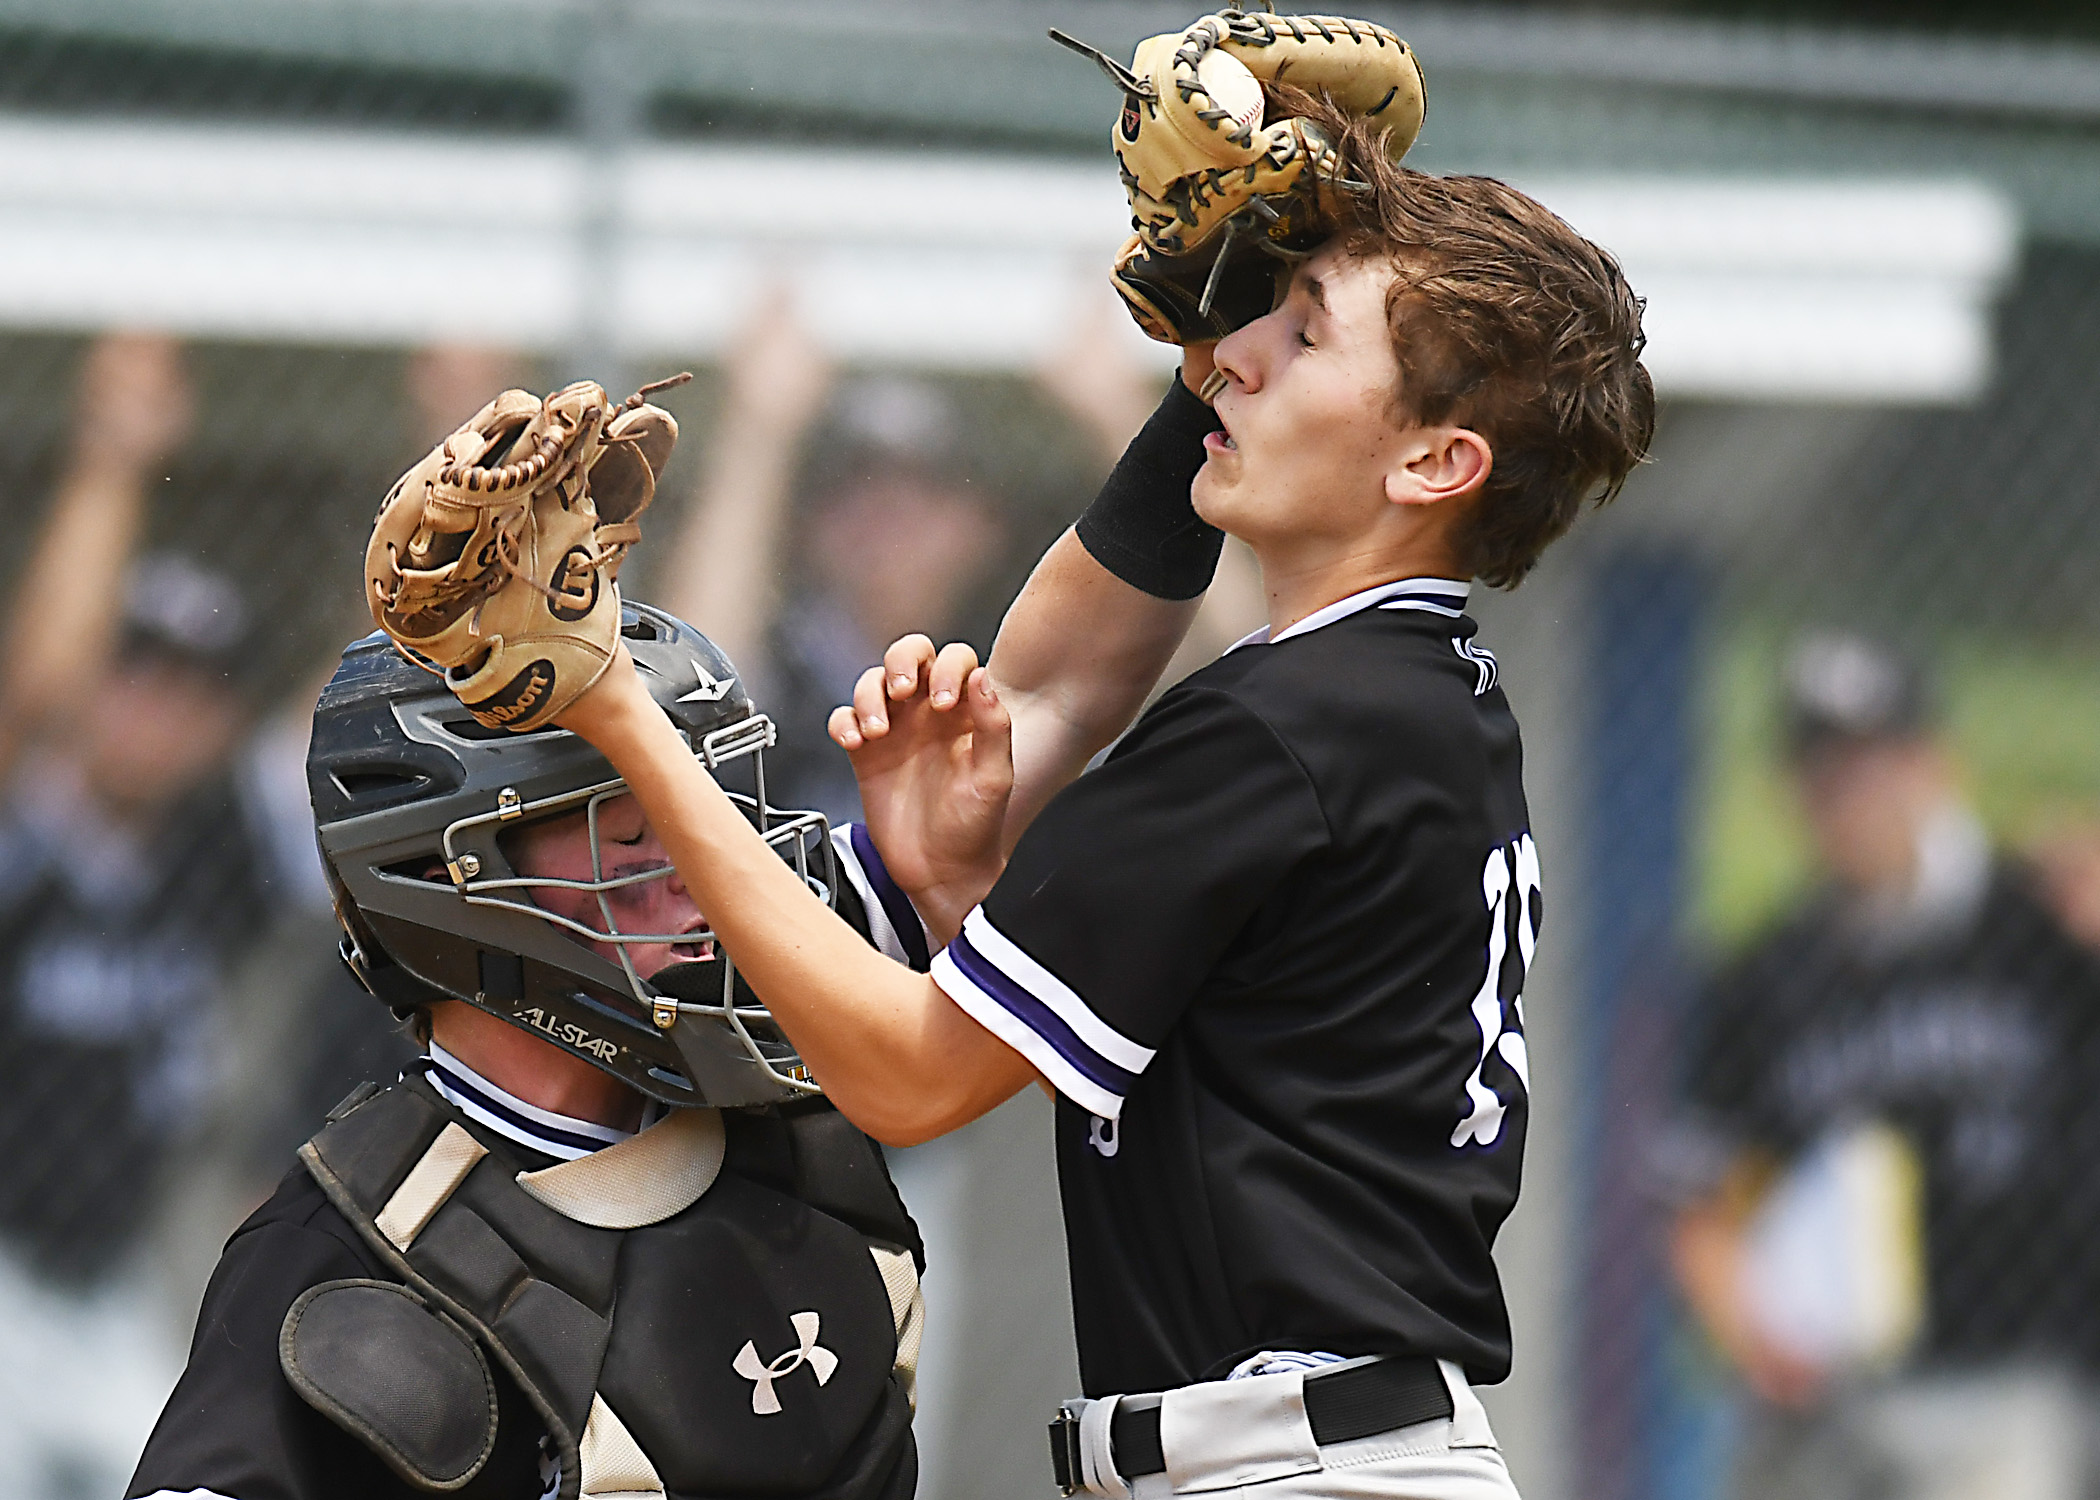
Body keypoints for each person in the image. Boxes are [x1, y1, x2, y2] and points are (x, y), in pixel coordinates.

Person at [538, 98, 1653, 1500]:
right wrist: (956, 897)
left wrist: (613, 714)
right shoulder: (1406, 696)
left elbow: (909, 1075)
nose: (1231, 358)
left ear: (1435, 461)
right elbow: (1052, 691)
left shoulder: (1285, 730)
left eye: (1301, 331)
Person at [128, 605, 935, 1500]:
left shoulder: (790, 1122)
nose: (710, 881)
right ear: (454, 892)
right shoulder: (344, 1247)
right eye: (631, 844)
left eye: (709, 821)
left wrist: (947, 868)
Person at [1662, 632, 2100, 1500]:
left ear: (1935, 765)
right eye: (1823, 775)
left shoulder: (2042, 923)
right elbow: (1694, 1198)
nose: (1849, 799)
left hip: (2012, 1380)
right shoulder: (1767, 979)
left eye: (1871, 767)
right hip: (1825, 1396)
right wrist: (1749, 1333)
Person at [0, 332, 300, 1500]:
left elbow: (337, 756)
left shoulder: (211, 854)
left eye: (193, 691)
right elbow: (34, 701)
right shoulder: (28, 835)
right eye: (138, 672)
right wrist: (112, 466)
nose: (157, 711)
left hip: (118, 1276)